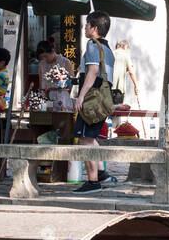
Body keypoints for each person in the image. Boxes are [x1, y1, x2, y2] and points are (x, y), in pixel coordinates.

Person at [71, 10, 115, 192]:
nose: (84, 28)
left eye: (86, 25)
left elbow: (93, 71)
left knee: (85, 139)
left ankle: (93, 181)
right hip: (103, 100)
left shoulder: (92, 45)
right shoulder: (108, 49)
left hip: (91, 100)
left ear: (94, 28)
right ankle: (102, 173)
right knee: (91, 137)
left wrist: (80, 96)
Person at [36, 40, 75, 112]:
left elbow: (72, 83)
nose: (44, 59)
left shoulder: (65, 62)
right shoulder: (42, 64)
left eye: (46, 56)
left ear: (53, 51)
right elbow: (41, 85)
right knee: (49, 119)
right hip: (48, 97)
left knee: (61, 119)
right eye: (42, 57)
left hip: (63, 98)